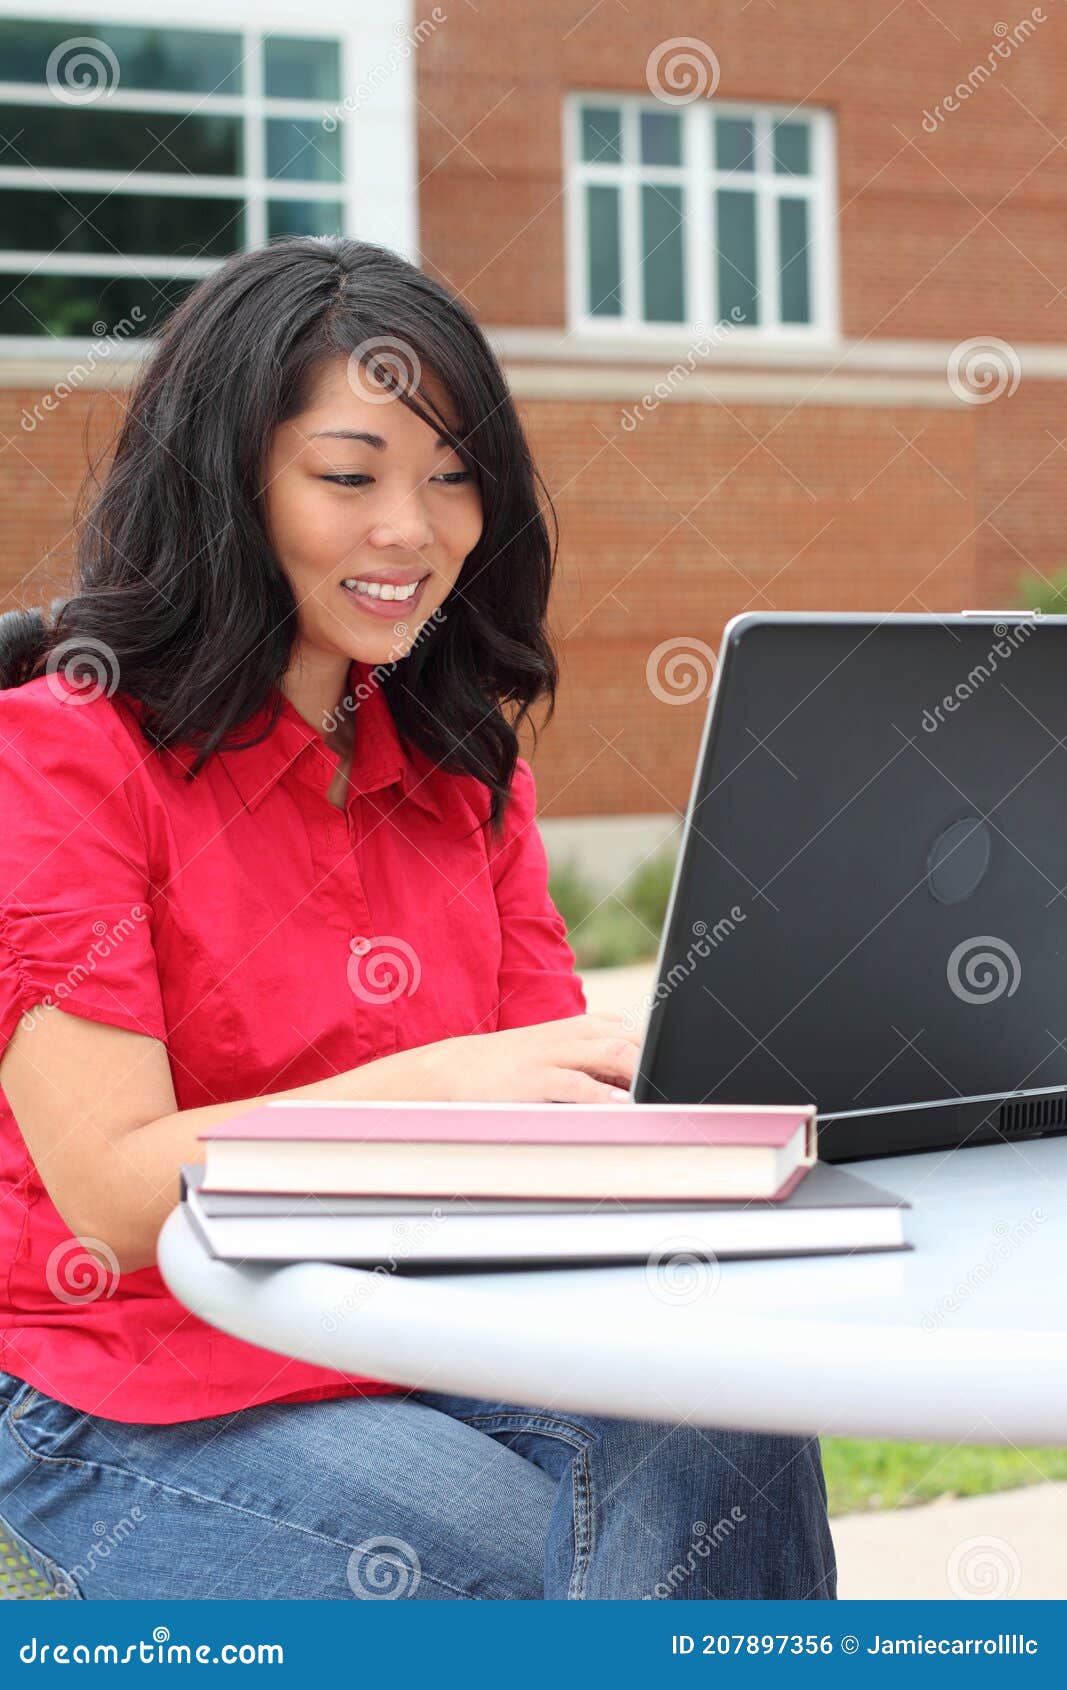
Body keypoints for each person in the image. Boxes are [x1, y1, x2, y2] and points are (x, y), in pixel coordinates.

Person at [0, 236, 836, 1600]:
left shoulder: (460, 765)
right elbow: (115, 1192)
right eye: (350, 475)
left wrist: (714, 1104)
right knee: (495, 1563)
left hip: (433, 1331)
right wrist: (446, 1083)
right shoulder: (60, 757)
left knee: (732, 1423)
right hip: (140, 1382)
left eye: (455, 477)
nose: (417, 528)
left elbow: (545, 1132)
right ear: (230, 482)